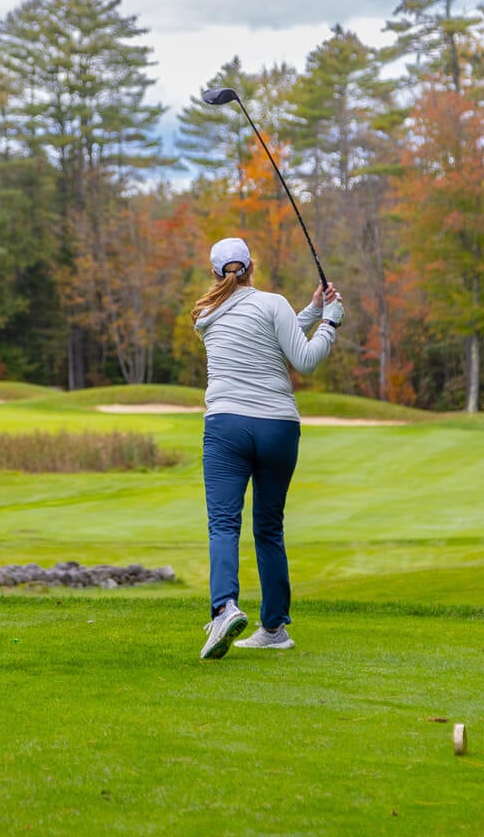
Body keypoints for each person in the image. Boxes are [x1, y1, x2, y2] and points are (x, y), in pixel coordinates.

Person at [191, 236, 343, 659]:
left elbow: (263, 332)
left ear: (216, 273)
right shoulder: (272, 303)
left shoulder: (204, 313)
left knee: (223, 524)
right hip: (278, 427)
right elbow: (304, 357)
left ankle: (224, 607)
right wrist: (331, 322)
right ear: (252, 266)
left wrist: (314, 311)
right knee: (269, 528)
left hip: (225, 427)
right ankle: (274, 627)